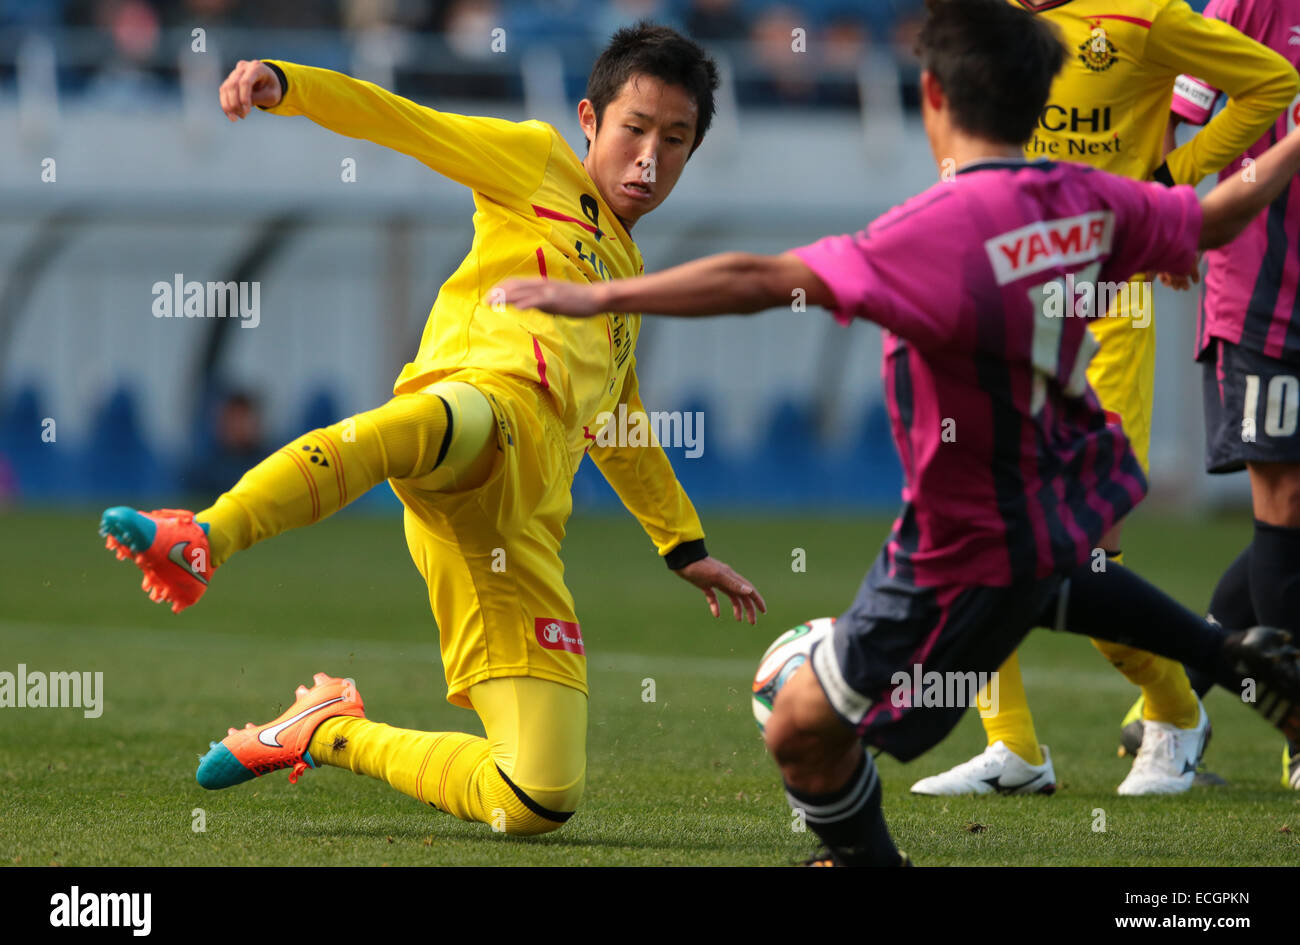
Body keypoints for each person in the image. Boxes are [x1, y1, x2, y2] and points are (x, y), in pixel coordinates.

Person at [497, 0, 1300, 865]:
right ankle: (1227, 653)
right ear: (1041, 107)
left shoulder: (932, 231)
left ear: (931, 99)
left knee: (801, 731)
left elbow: (759, 277)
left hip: (948, 553)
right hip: (1052, 510)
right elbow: (1219, 215)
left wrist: (601, 295)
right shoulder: (1094, 202)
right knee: (1055, 572)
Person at [98, 22, 765, 837]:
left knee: (537, 800)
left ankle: (325, 728)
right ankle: (203, 535)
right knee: (444, 422)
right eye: (635, 129)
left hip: (520, 533)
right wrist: (287, 82)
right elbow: (404, 119)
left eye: (675, 139)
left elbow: (622, 424)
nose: (649, 159)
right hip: (481, 408)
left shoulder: (625, 287)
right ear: (590, 119)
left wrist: (686, 549)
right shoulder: (535, 162)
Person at [908, 0, 1300, 800]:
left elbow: (1272, 82)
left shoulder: (1143, 16)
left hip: (1109, 310)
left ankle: (1175, 708)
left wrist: (1170, 191)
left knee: (1084, 547)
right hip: (1003, 296)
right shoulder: (982, 22)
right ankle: (1012, 746)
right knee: (970, 515)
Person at [1163, 0, 1300, 789]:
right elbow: (1176, 116)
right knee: (1282, 499)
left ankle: (1175, 696)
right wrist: (1168, 217)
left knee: (1291, 521)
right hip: (1266, 296)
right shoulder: (1250, 2)